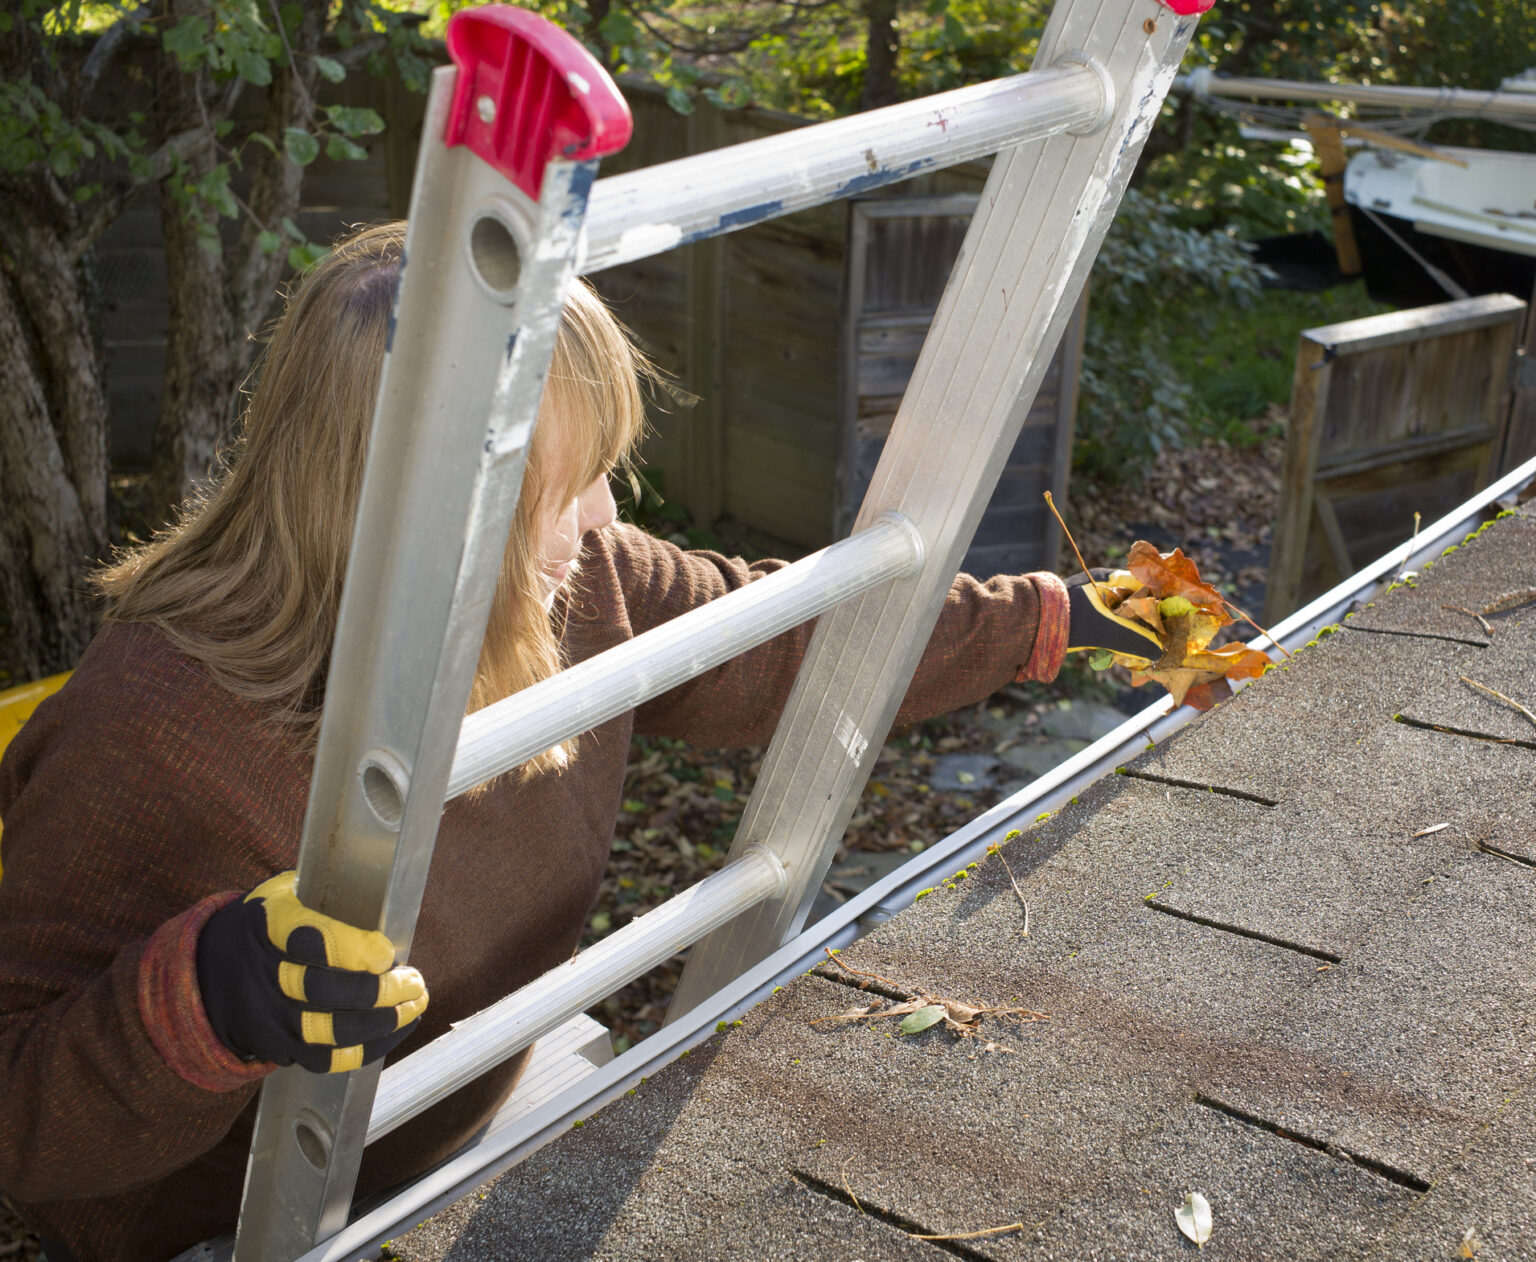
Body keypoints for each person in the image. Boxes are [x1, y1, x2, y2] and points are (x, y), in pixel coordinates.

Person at [0, 221, 1152, 1261]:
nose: (606, 517)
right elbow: (20, 1124)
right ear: (416, 507)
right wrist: (198, 1002)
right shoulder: (147, 731)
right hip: (214, 1231)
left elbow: (787, 632)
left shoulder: (574, 583)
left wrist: (1053, 615)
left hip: (451, 1128)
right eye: (566, 484)